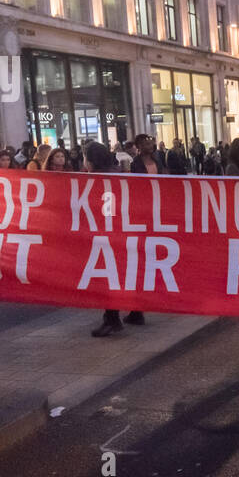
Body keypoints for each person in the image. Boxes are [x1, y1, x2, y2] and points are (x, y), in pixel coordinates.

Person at [84, 142, 146, 337]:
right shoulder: (118, 174)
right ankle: (136, 311)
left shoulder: (97, 179)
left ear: (91, 160)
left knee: (108, 276)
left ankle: (112, 319)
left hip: (108, 234)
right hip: (124, 232)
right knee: (125, 272)